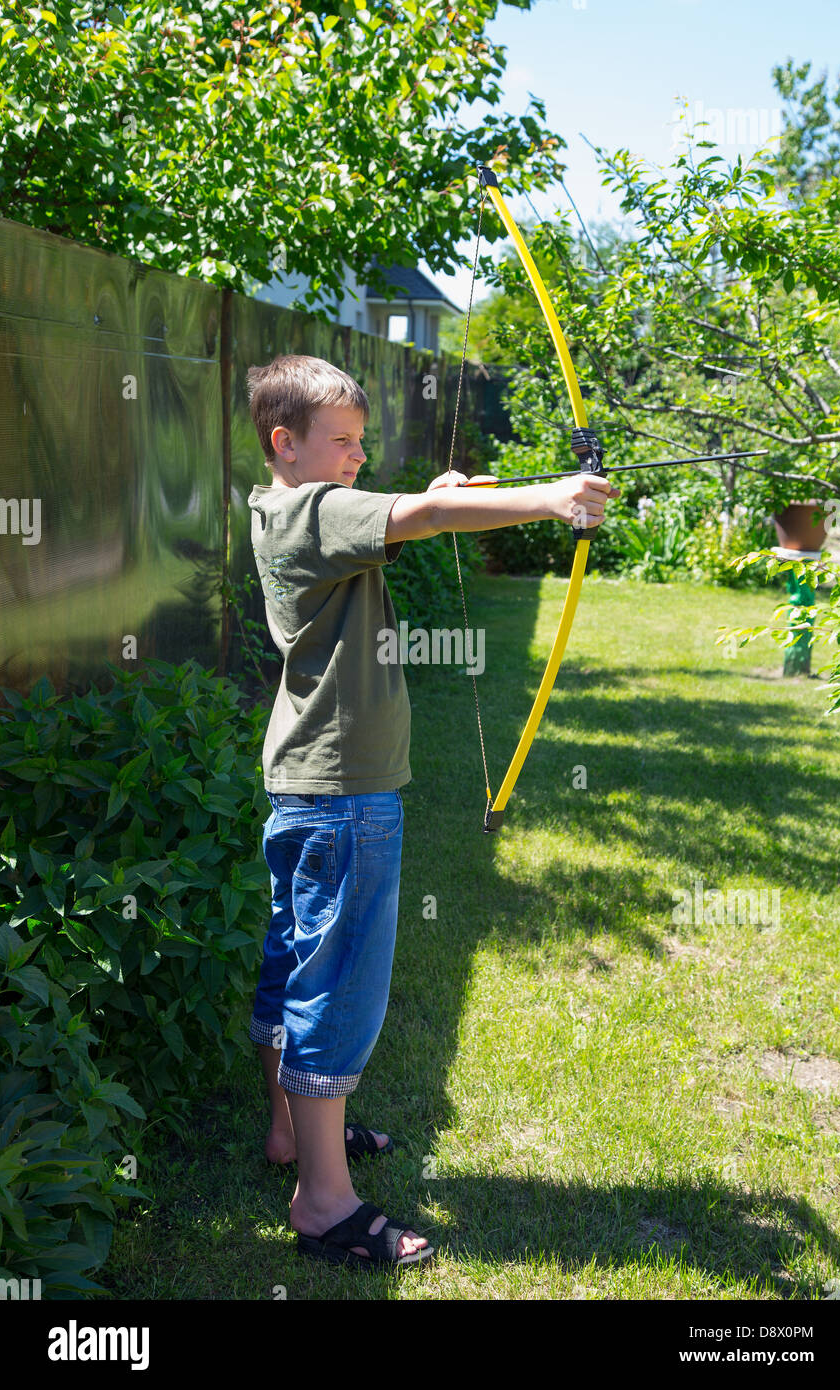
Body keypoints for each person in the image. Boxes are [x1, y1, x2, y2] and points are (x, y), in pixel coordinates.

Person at [245, 353, 617, 1270]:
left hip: (308, 785)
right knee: (338, 984)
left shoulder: (289, 509)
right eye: (343, 443)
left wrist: (439, 493)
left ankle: (292, 1135)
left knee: (293, 959)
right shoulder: (309, 508)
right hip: (344, 796)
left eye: (364, 444)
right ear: (284, 444)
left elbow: (398, 517)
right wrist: (549, 497)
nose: (358, 458)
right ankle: (323, 1202)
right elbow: (416, 517)